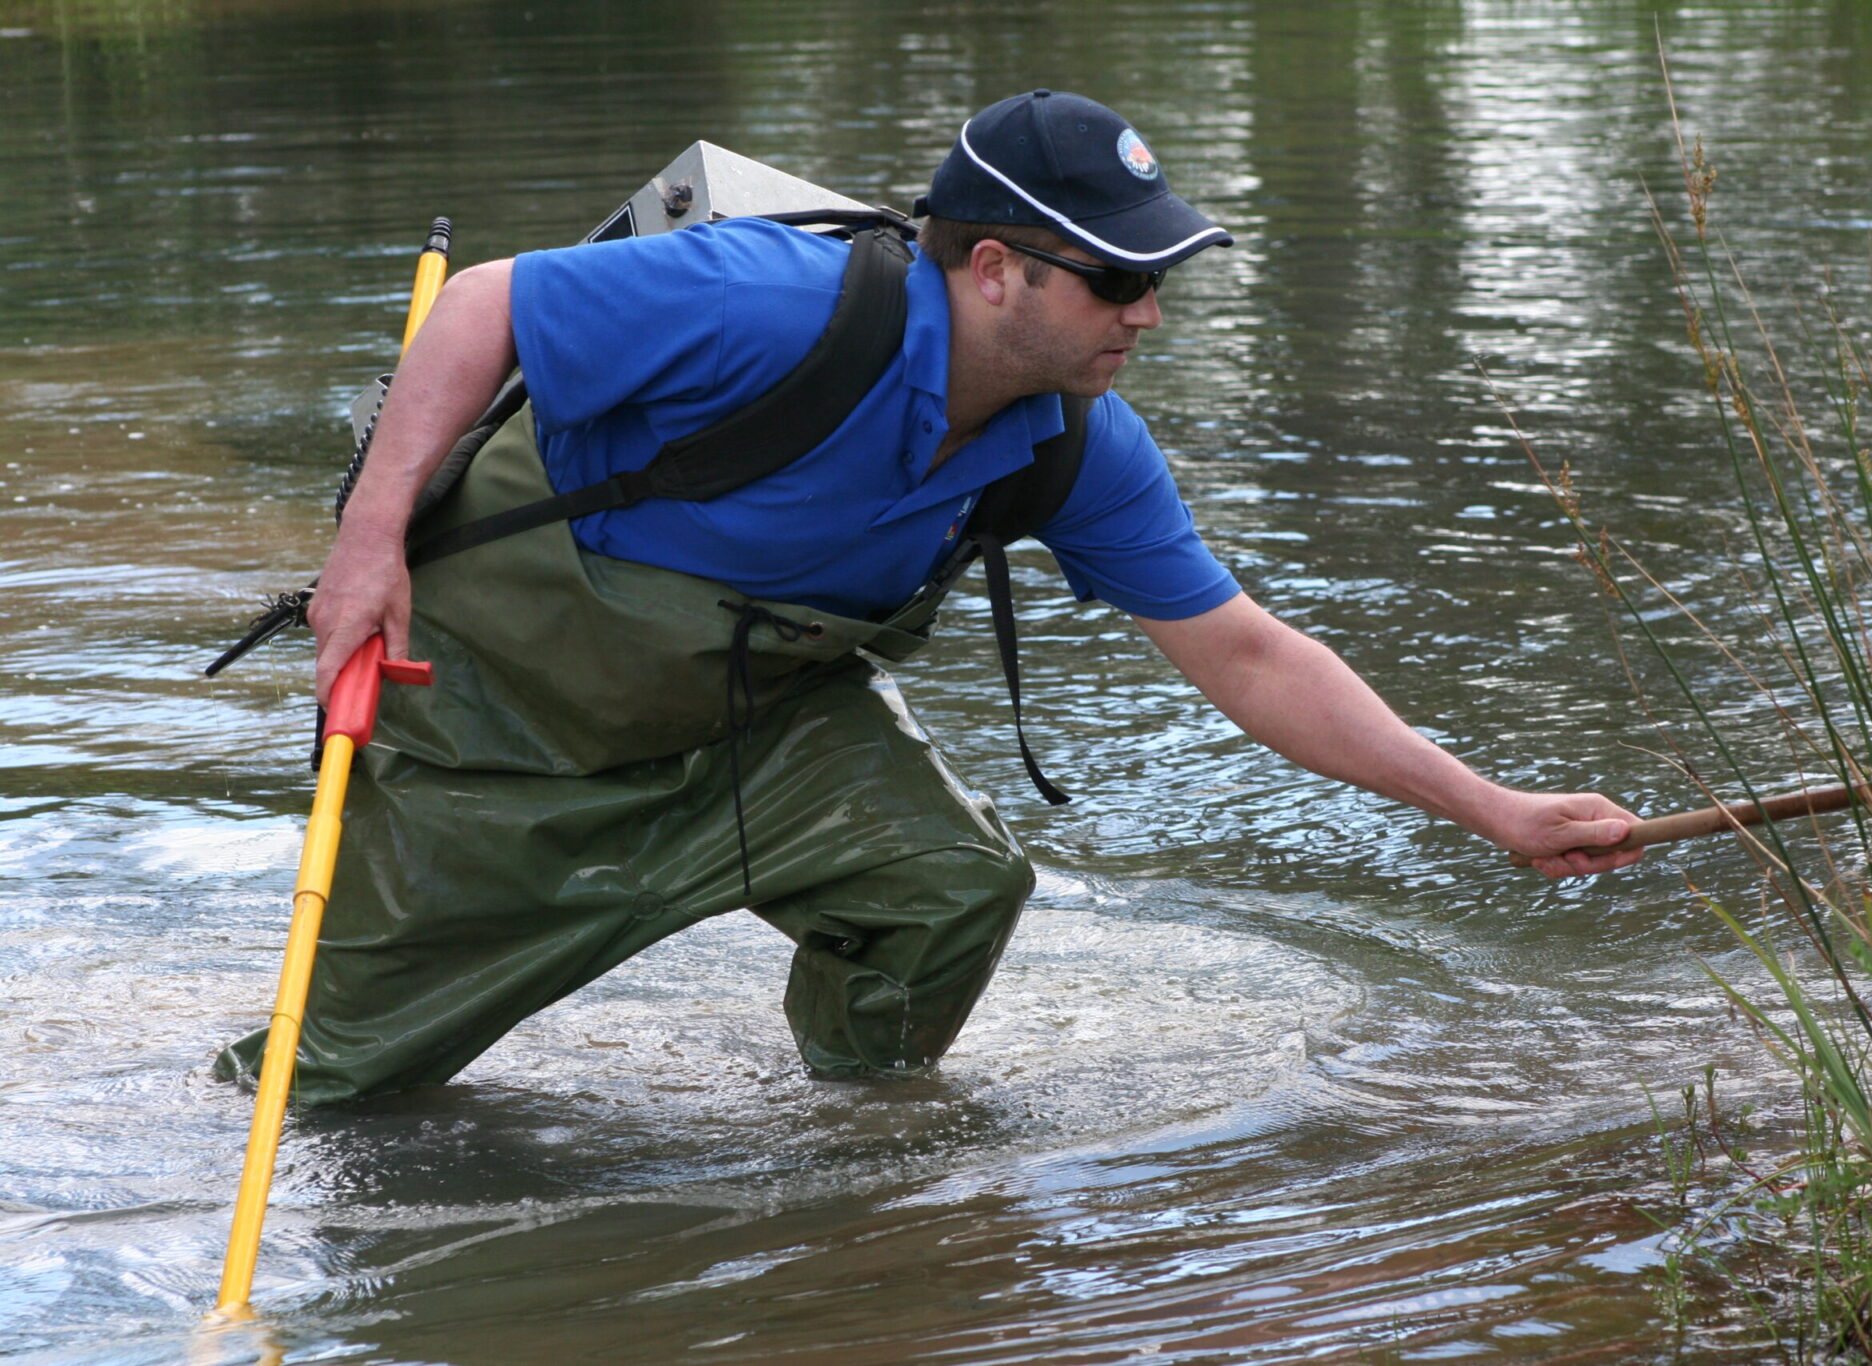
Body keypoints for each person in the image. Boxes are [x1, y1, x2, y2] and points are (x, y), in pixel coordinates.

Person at [215, 90, 1641, 1106]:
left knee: (950, 890)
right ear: (999, 269)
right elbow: (481, 307)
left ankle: (857, 1157)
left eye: (1162, 277)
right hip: (499, 720)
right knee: (321, 1086)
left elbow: (1249, 652)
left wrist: (1494, 811)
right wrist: (369, 544)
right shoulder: (774, 300)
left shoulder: (1078, 439)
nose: (1146, 311)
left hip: (753, 734)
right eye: (1118, 278)